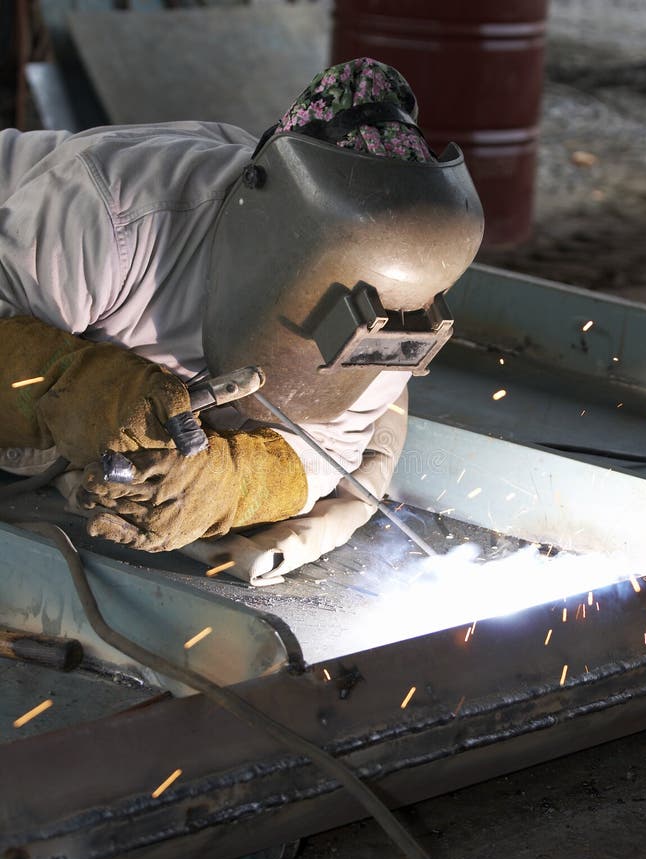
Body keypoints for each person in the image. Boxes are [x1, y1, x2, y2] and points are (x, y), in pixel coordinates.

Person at [0, 58, 483, 584]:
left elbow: (329, 454)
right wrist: (87, 387)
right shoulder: (116, 212)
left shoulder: (394, 307)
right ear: (275, 232)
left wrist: (226, 483)